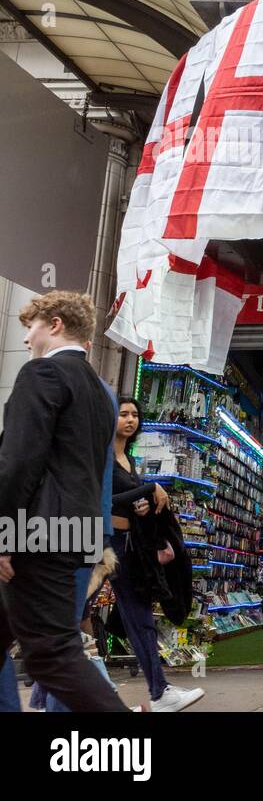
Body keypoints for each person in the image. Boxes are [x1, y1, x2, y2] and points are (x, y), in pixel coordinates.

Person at [0, 291, 127, 711]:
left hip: (37, 532)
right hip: (76, 534)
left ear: (54, 324)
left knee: (53, 653)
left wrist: (2, 534)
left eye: (30, 327)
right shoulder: (99, 390)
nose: (26, 339)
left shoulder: (42, 374)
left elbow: (18, 462)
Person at [108, 396, 204, 711]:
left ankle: (159, 692)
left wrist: (145, 503)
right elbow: (107, 499)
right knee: (76, 618)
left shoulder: (129, 460)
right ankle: (159, 692)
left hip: (129, 544)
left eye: (135, 414)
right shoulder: (101, 457)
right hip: (105, 545)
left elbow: (126, 501)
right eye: (123, 414)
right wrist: (148, 489)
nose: (130, 419)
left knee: (139, 616)